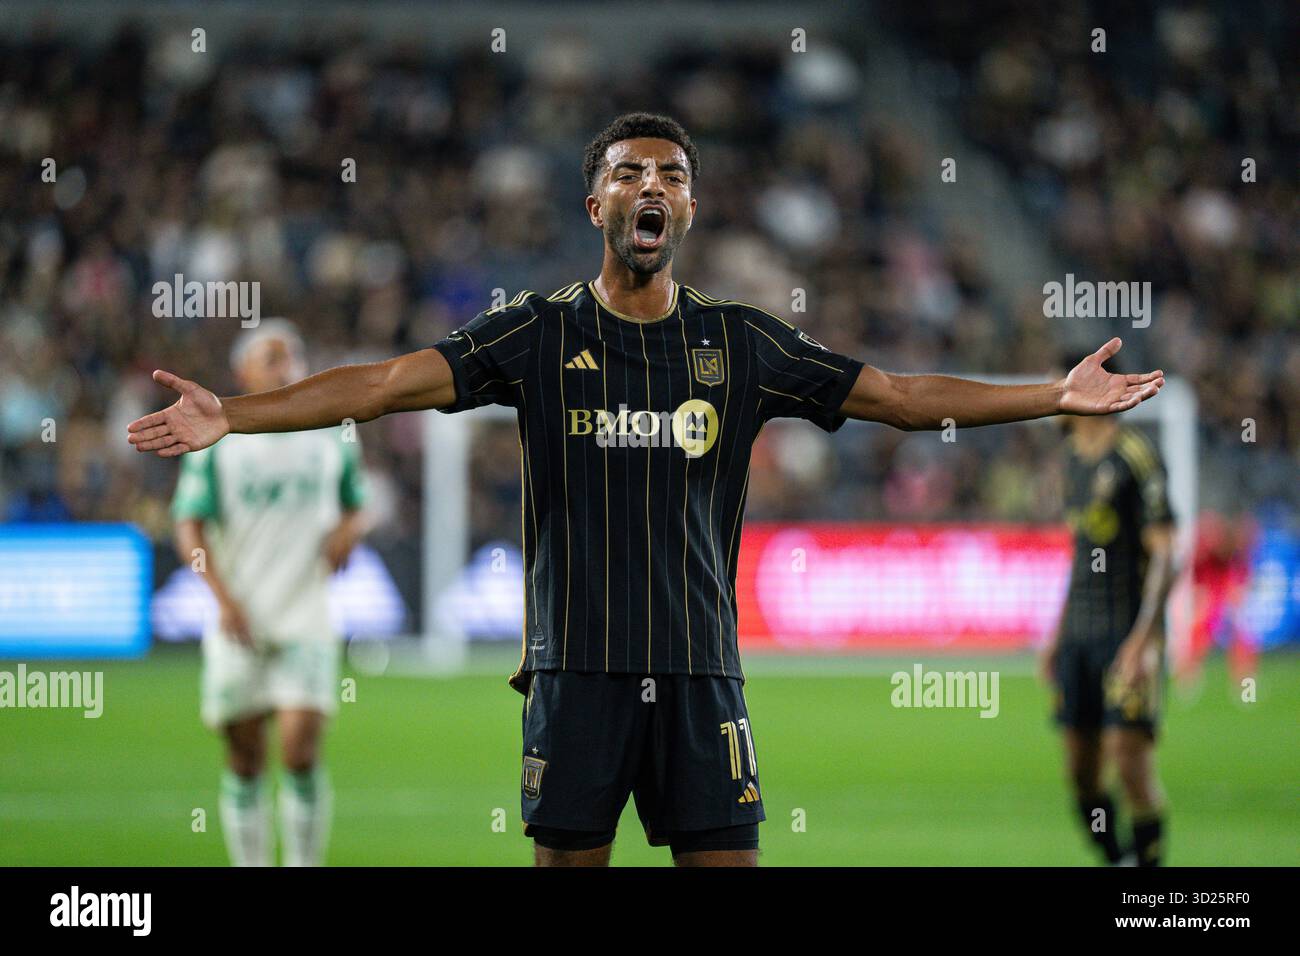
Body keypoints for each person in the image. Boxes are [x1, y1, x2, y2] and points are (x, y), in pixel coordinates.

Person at [131, 112, 1163, 867]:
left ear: (690, 206)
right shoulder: (535, 334)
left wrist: (1050, 392)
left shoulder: (740, 340)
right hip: (577, 673)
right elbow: (383, 382)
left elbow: (894, 395)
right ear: (598, 205)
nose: (651, 186)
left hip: (702, 672)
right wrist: (236, 413)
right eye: (629, 173)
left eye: (670, 173)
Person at [170, 319, 368, 866]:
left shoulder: (332, 432)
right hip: (241, 617)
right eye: (274, 357)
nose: (289, 365)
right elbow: (189, 523)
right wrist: (222, 599)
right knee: (244, 756)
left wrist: (349, 531)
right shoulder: (216, 440)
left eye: (294, 354)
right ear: (243, 371)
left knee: (301, 751)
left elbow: (358, 502)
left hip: (305, 614)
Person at [1041, 360, 1176, 866]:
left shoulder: (1135, 455)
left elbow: (1166, 554)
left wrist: (1144, 640)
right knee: (1080, 770)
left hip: (1125, 632)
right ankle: (1118, 859)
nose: (1054, 394)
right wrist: (1056, 636)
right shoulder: (1070, 459)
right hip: (1078, 633)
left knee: (1130, 760)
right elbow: (1080, 553)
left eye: (1063, 382)